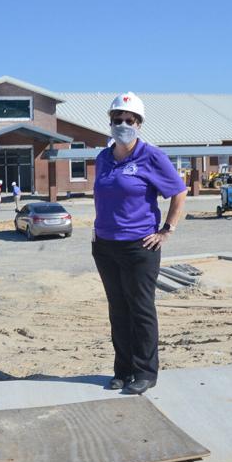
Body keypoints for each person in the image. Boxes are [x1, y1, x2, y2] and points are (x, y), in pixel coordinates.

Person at [92, 92, 188, 395]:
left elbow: (179, 192)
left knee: (141, 309)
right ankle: (123, 371)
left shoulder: (151, 156)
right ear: (110, 122)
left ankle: (145, 372)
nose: (122, 124)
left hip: (140, 247)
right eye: (117, 119)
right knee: (117, 310)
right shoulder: (103, 158)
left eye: (128, 120)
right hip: (106, 246)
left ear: (139, 123)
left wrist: (166, 230)